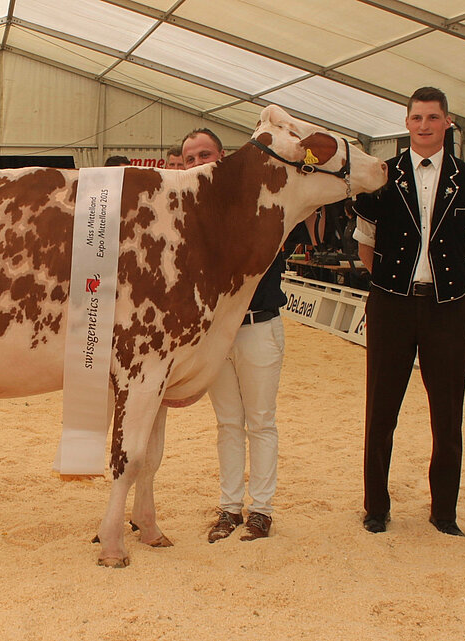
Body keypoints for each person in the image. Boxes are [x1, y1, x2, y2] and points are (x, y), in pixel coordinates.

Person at [352, 86, 465, 536]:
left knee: (448, 411)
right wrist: (394, 287)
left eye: (433, 118)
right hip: (391, 303)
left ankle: (444, 512)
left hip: (447, 307)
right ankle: (376, 507)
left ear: (447, 122)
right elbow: (365, 244)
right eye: (417, 118)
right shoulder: (380, 175)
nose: (424, 125)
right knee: (381, 409)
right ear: (407, 122)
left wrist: (447, 289)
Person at [182, 128, 285, 542]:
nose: (196, 163)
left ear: (222, 156)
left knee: (260, 420)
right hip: (213, 334)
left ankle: (261, 510)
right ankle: (228, 508)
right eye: (189, 158)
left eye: (204, 154)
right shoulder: (184, 215)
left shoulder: (258, 204)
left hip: (258, 324)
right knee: (227, 422)